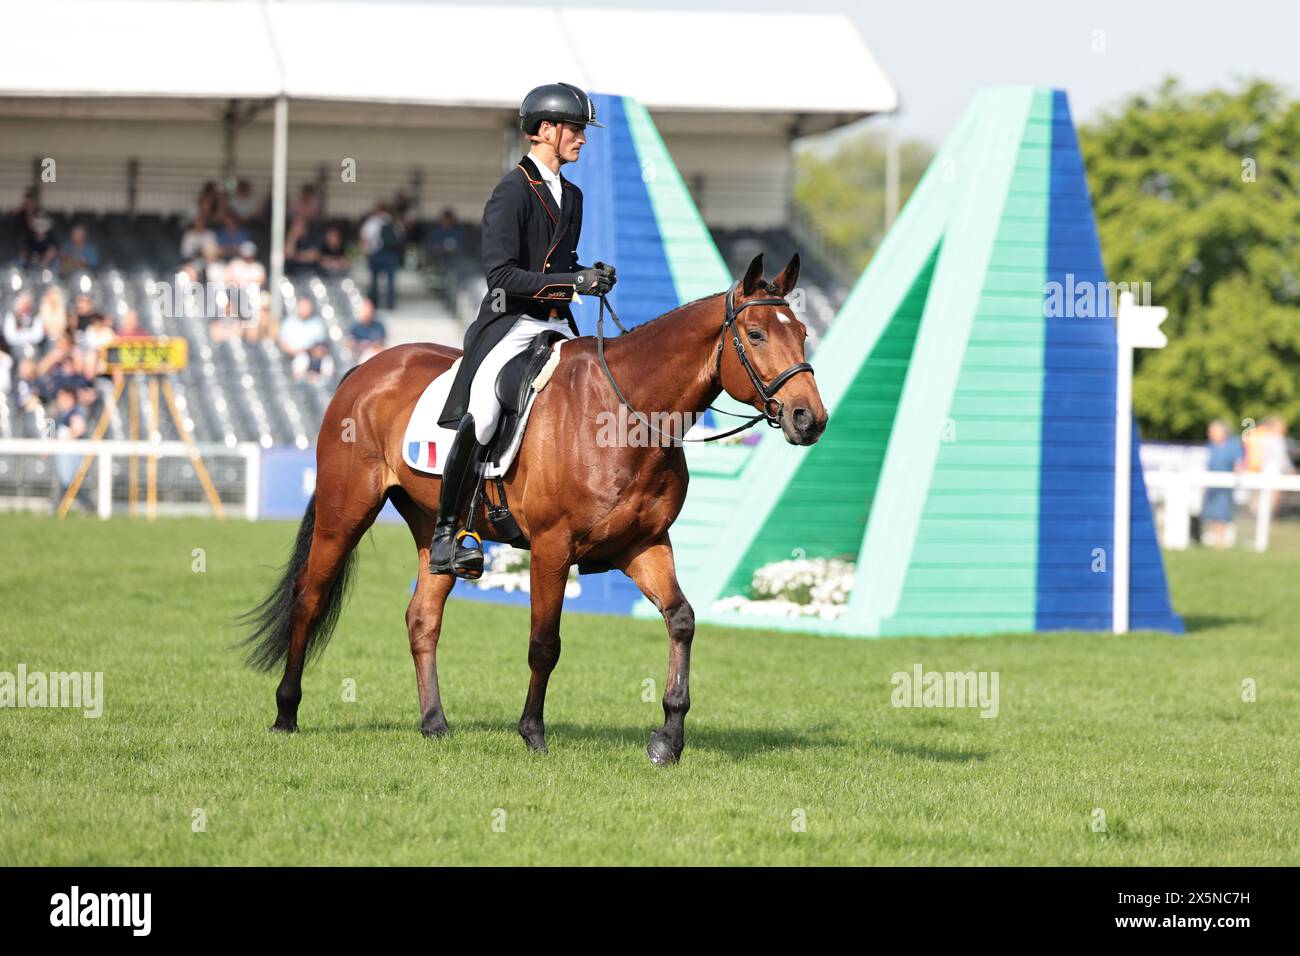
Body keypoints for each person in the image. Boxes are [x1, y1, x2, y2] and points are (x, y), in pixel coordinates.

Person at [428, 81, 617, 577]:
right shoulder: (511, 190)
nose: (582, 138)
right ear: (546, 131)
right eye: (575, 129)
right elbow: (503, 276)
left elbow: (563, 263)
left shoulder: (571, 196)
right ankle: (448, 532)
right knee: (485, 411)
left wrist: (588, 278)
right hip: (510, 321)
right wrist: (570, 282)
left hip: (554, 324)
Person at [1202, 420, 1243, 549]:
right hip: (1211, 485)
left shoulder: (1233, 446)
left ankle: (1222, 542)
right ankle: (1218, 541)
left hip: (1225, 486)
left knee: (1222, 513)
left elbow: (1238, 463)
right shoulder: (1209, 446)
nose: (1210, 434)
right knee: (1213, 513)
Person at [360, 203, 403, 309]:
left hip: (376, 254)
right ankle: (390, 304)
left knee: (374, 280)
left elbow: (365, 239)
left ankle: (374, 304)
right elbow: (401, 238)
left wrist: (366, 253)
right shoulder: (394, 222)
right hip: (391, 255)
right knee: (391, 281)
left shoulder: (372, 222)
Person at [346, 297, 386, 362]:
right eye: (366, 309)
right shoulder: (355, 326)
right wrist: (359, 345)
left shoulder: (378, 326)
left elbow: (381, 344)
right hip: (359, 354)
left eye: (370, 309)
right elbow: (349, 344)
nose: (368, 312)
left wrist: (370, 345)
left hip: (374, 353)